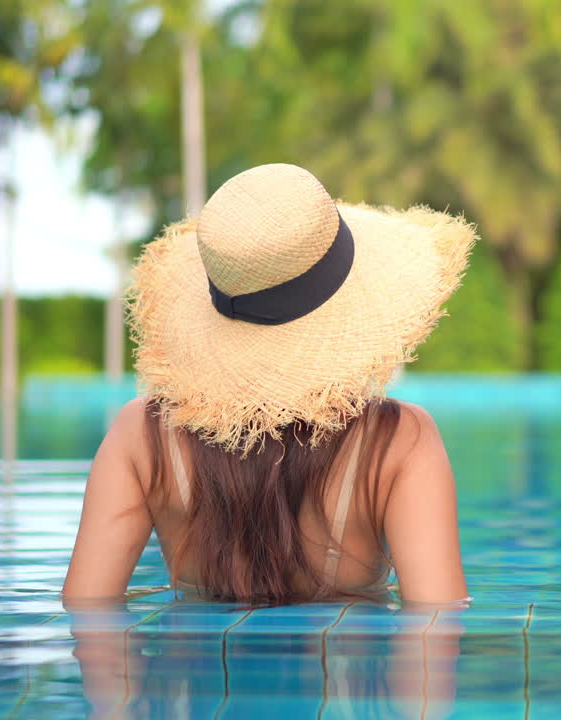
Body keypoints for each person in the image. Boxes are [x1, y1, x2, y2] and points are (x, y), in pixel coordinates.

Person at [63, 164, 474, 606]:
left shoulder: (142, 436)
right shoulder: (398, 442)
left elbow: (86, 611)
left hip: (193, 674)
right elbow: (436, 624)